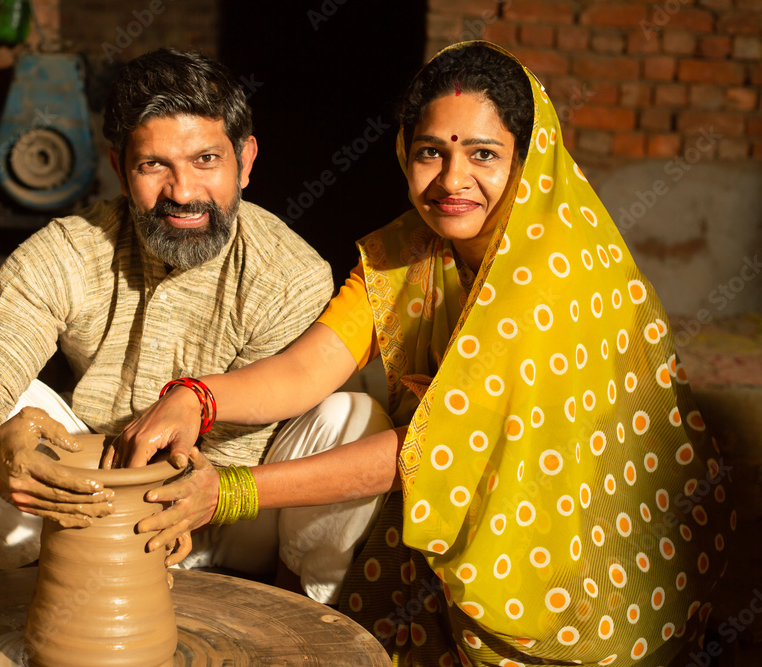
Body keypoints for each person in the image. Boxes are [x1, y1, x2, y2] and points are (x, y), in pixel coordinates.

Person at [115, 41, 732, 666]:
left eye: (483, 155)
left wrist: (229, 493)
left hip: (587, 556)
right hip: (465, 505)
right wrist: (197, 397)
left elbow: (435, 446)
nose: (452, 180)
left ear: (528, 161)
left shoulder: (553, 275)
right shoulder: (407, 250)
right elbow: (309, 367)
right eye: (431, 152)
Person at [0, 48, 390, 601]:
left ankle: (301, 615)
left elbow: (232, 457)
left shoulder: (289, 274)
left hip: (235, 512)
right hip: (83, 510)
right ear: (120, 168)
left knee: (353, 416)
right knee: (2, 410)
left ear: (246, 160)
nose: (183, 191)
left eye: (206, 160)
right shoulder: (67, 252)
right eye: (154, 165)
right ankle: (43, 595)